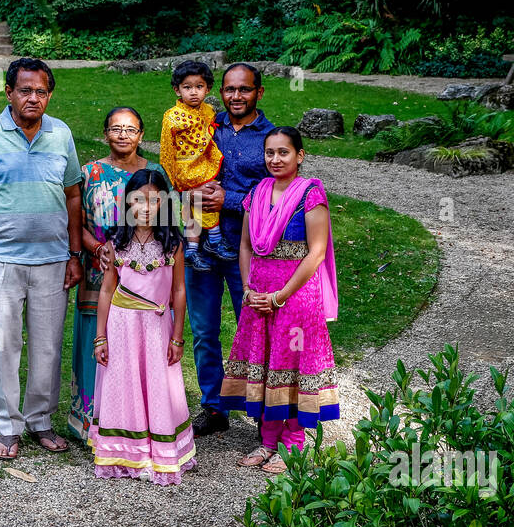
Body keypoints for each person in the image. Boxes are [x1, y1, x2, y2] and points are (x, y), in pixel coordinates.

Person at [0, 57, 84, 460]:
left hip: (52, 259)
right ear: (9, 92)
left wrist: (75, 254)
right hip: (0, 261)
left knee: (47, 347)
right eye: (25, 90)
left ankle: (40, 422)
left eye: (41, 91)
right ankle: (8, 427)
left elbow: (73, 195)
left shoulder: (61, 134)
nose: (34, 98)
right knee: (3, 345)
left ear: (49, 95)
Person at [221, 126, 340, 475]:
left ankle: (294, 446)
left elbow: (316, 252)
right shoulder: (257, 192)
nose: (275, 159)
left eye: (283, 152)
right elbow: (245, 245)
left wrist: (280, 296)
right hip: (258, 294)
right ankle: (268, 441)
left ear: (299, 156)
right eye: (270, 152)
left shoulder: (310, 194)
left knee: (292, 363)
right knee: (266, 361)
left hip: (296, 296)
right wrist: (247, 289)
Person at [67, 106, 171, 443]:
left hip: (146, 278)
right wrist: (98, 249)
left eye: (130, 129)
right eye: (116, 128)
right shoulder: (89, 173)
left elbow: (171, 222)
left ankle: (136, 422)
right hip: (99, 273)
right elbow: (76, 223)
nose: (123, 134)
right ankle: (90, 424)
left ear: (142, 135)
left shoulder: (156, 172)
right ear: (105, 133)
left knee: (137, 347)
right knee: (97, 343)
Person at [89, 169, 197, 484]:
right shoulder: (116, 242)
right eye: (138, 200)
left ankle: (160, 452)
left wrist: (177, 337)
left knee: (156, 383)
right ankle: (125, 452)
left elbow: (178, 290)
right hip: (121, 326)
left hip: (156, 326)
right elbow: (107, 291)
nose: (145, 207)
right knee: (124, 385)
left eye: (153, 200)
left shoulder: (172, 243)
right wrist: (100, 337)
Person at [185, 62, 275, 436]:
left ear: (258, 92)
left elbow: (278, 196)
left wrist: (230, 199)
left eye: (244, 89)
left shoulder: (271, 138)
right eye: (229, 89)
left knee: (251, 328)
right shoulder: (204, 125)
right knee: (204, 331)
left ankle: (260, 408)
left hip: (249, 250)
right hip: (201, 248)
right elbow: (181, 171)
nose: (236, 96)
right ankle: (214, 407)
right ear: (219, 91)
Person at [158, 60, 230, 272]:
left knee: (202, 200)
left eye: (199, 87)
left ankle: (200, 246)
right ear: (177, 90)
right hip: (183, 170)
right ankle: (197, 246)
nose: (193, 92)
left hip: (203, 165)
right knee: (191, 203)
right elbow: (166, 149)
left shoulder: (208, 110)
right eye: (187, 87)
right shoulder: (172, 117)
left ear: (207, 89)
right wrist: (171, 180)